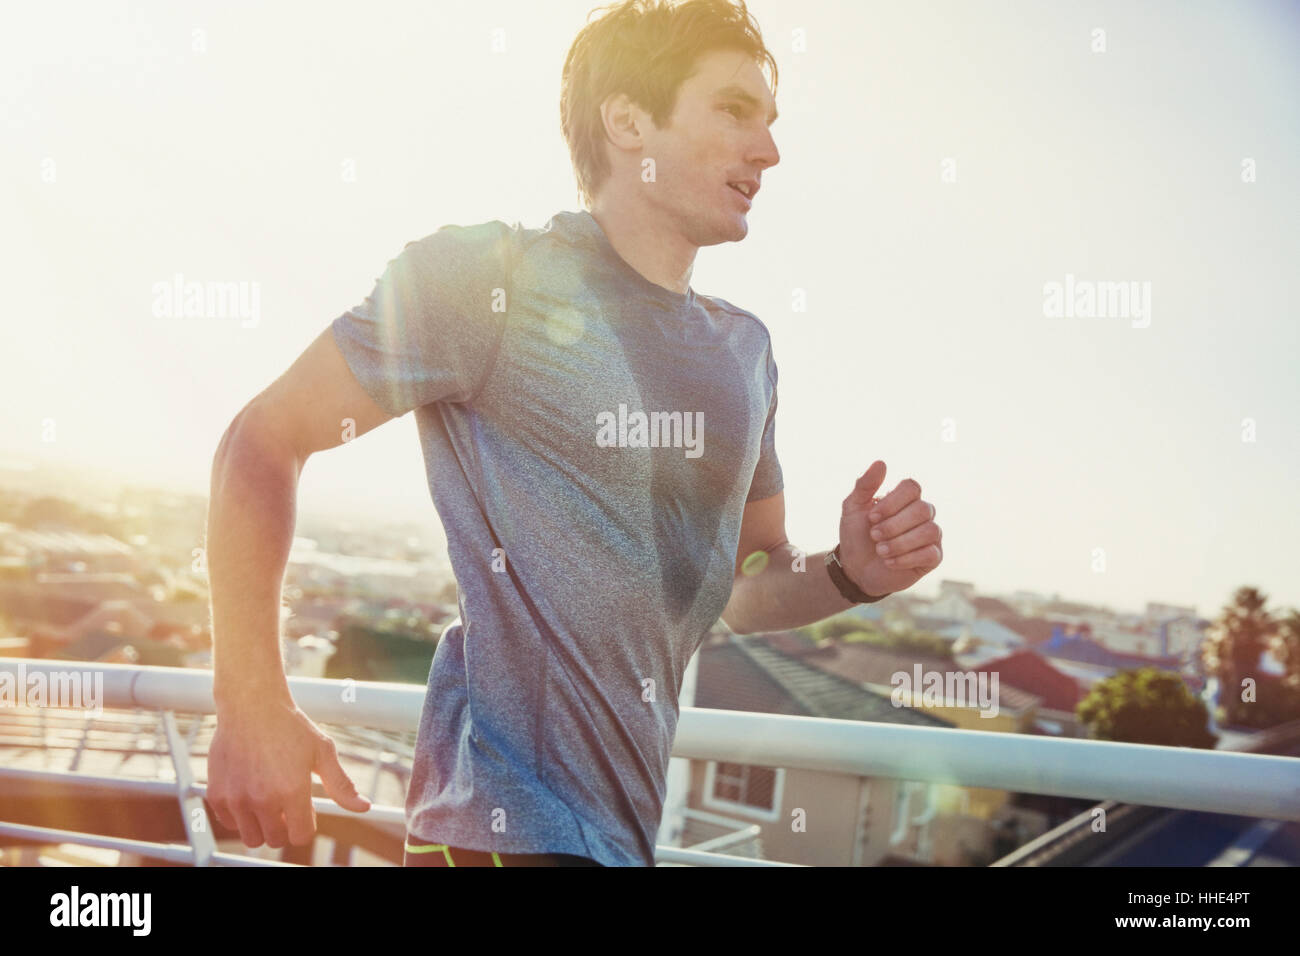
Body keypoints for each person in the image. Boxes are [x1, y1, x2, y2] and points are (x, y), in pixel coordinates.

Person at [204, 0, 943, 868]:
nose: (769, 151)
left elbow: (742, 585)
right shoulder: (487, 280)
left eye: (771, 122)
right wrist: (251, 704)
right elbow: (261, 439)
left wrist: (852, 573)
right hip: (489, 837)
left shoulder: (746, 353)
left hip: (623, 847)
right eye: (735, 111)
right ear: (629, 121)